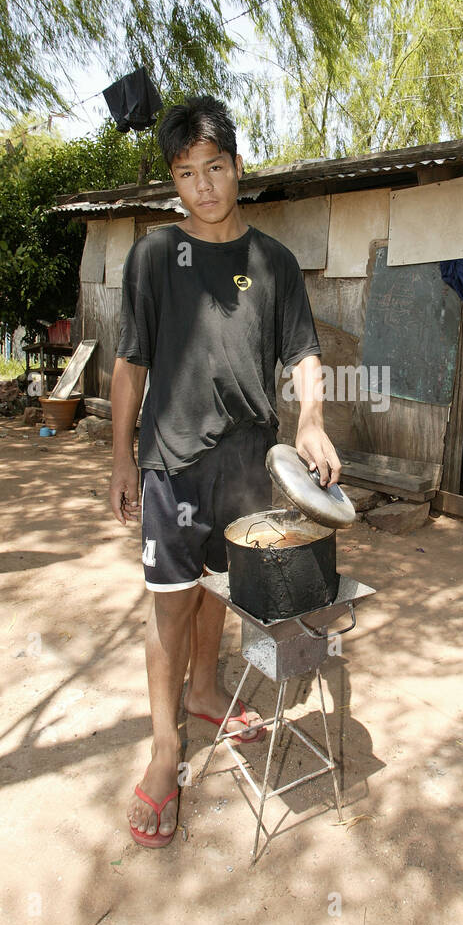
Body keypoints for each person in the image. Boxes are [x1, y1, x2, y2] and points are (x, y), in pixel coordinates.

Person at [109, 95, 340, 848]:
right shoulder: (152, 256)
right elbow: (130, 362)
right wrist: (119, 455)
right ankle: (164, 749)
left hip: (245, 461)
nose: (203, 185)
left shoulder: (272, 264)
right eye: (186, 172)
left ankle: (204, 691)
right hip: (171, 463)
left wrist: (309, 416)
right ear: (173, 181)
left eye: (215, 167)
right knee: (168, 603)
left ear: (238, 167)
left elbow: (303, 352)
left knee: (217, 591)